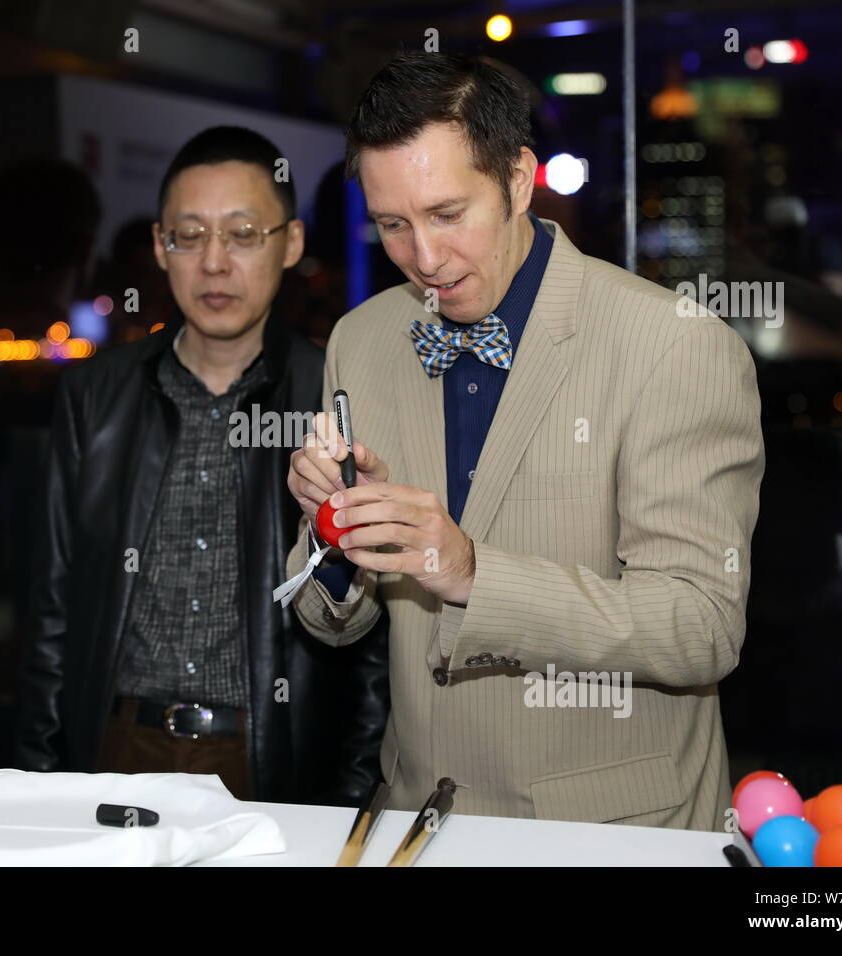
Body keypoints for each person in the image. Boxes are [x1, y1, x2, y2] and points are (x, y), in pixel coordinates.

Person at [285, 53, 765, 829]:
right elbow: (330, 619)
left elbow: (700, 626)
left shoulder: (673, 345)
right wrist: (333, 539)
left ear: (518, 179)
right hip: (414, 817)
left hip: (608, 829)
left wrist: (472, 572)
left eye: (447, 214)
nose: (426, 259)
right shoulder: (361, 340)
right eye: (392, 225)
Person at [16, 126, 388, 804]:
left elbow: (372, 643)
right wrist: (39, 784)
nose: (215, 263)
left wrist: (353, 795)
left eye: (244, 234)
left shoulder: (333, 396)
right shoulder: (96, 394)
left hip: (272, 760)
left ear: (292, 243)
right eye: (190, 236)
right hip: (116, 751)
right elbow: (50, 609)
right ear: (162, 246)